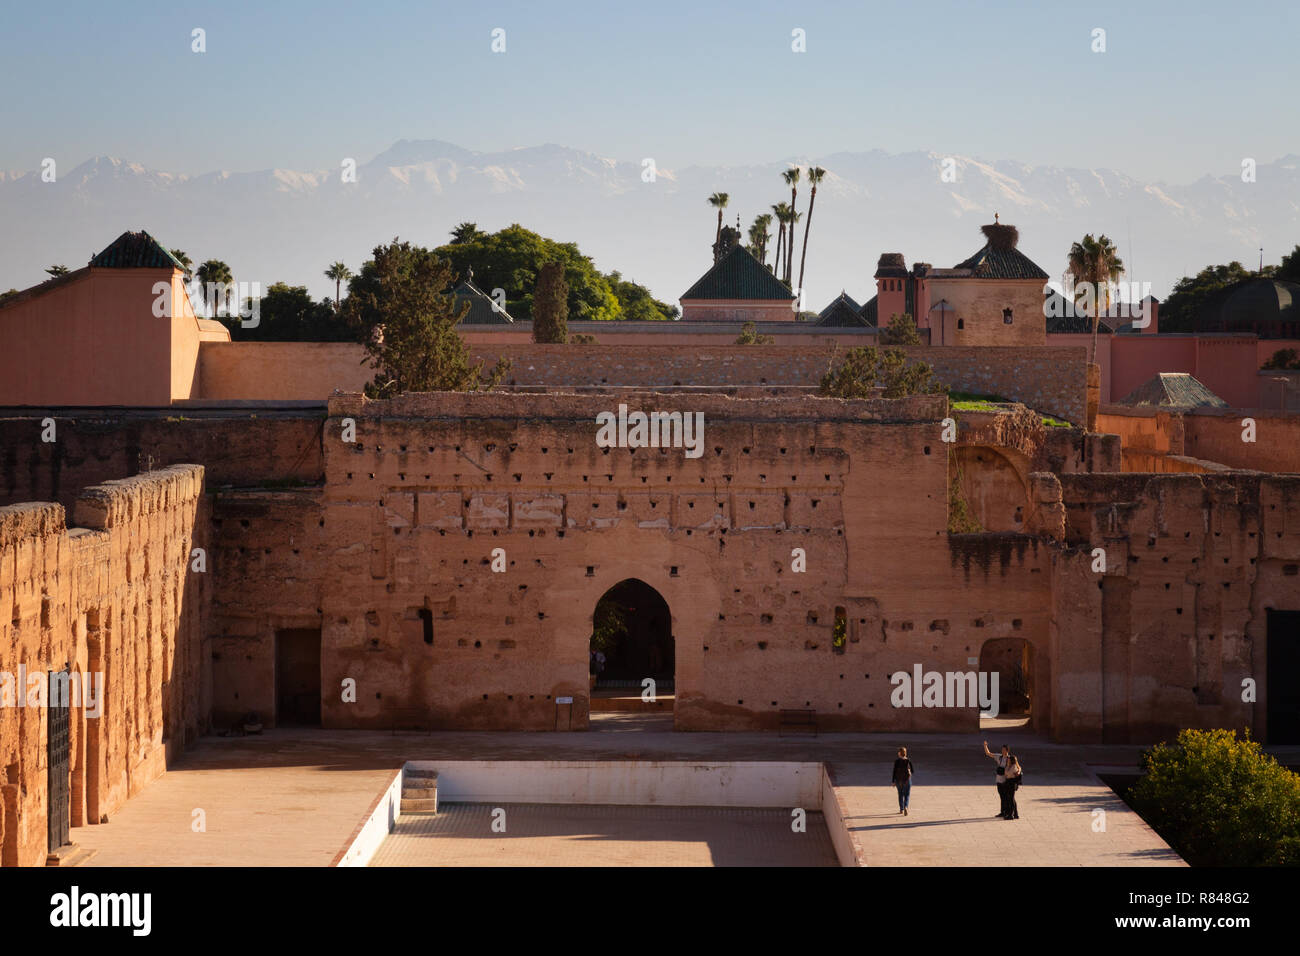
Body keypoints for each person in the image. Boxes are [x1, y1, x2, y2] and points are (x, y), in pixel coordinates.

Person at [982, 740, 1011, 818]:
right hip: (998, 780)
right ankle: (1002, 812)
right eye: (1002, 750)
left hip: (1006, 780)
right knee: (1001, 796)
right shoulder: (999, 757)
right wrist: (985, 746)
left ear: (1007, 750)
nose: (1003, 751)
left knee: (1006, 797)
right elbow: (988, 753)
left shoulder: (1010, 759)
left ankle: (1008, 812)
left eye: (1004, 750)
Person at [891, 746, 914, 815]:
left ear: (899, 753)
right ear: (905, 753)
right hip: (907, 780)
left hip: (898, 780)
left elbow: (894, 772)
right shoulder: (908, 761)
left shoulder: (897, 761)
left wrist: (893, 781)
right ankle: (906, 807)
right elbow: (912, 771)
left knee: (900, 794)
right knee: (907, 795)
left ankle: (901, 809)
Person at [1003, 755, 1022, 820]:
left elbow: (1007, 774)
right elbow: (1006, 774)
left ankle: (1011, 815)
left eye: (1008, 760)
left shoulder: (1014, 767)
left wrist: (1007, 772)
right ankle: (1015, 814)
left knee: (1011, 799)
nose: (1007, 761)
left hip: (1012, 783)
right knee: (1011, 799)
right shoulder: (1008, 766)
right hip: (1008, 782)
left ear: (1011, 761)